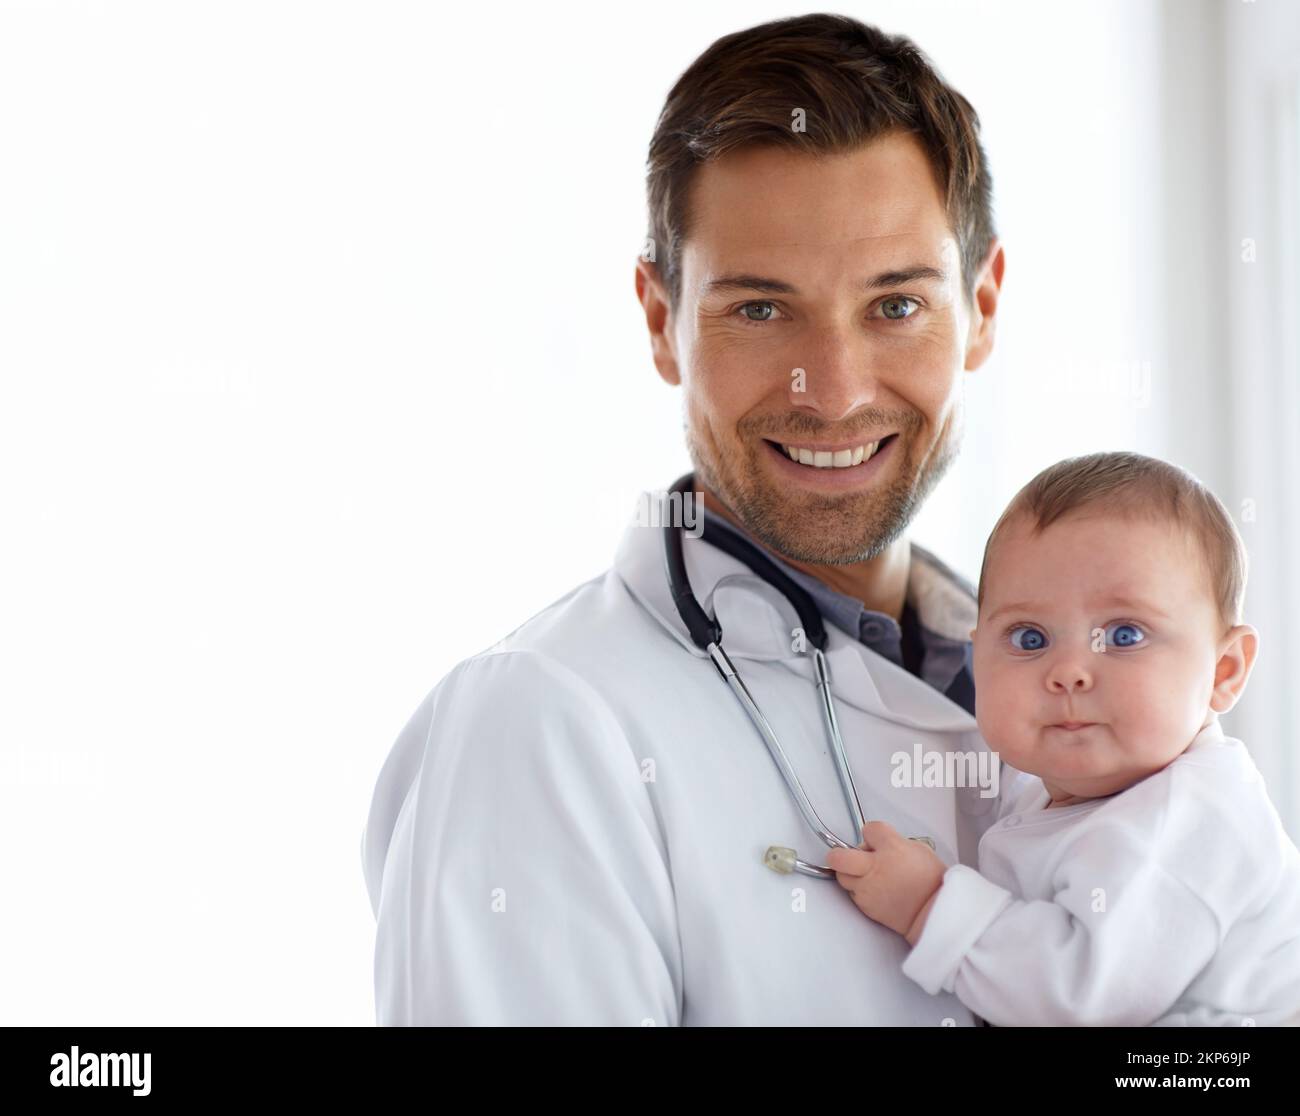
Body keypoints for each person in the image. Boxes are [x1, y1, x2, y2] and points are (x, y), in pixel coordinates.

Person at [361, 13, 1012, 1025]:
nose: (833, 393)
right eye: (759, 308)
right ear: (660, 320)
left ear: (984, 304)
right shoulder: (539, 725)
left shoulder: (1071, 687)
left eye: (894, 306)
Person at [827, 451, 1300, 1025]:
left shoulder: (1190, 814)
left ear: (1224, 671)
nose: (1069, 670)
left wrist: (929, 906)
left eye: (1124, 634)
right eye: (1029, 639)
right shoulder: (1045, 791)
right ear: (978, 656)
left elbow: (1080, 998)